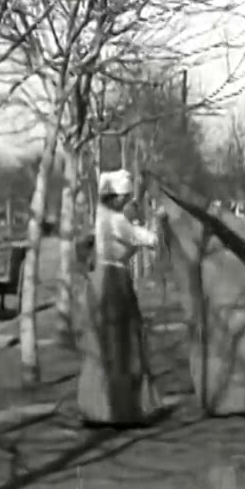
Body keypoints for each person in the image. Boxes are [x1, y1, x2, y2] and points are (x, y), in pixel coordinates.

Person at [77, 169, 166, 427]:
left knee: (104, 342)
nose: (126, 201)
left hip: (102, 281)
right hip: (114, 283)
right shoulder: (116, 221)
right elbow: (148, 240)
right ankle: (121, 408)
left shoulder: (104, 217)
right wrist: (158, 220)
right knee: (122, 341)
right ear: (115, 197)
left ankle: (99, 407)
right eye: (124, 197)